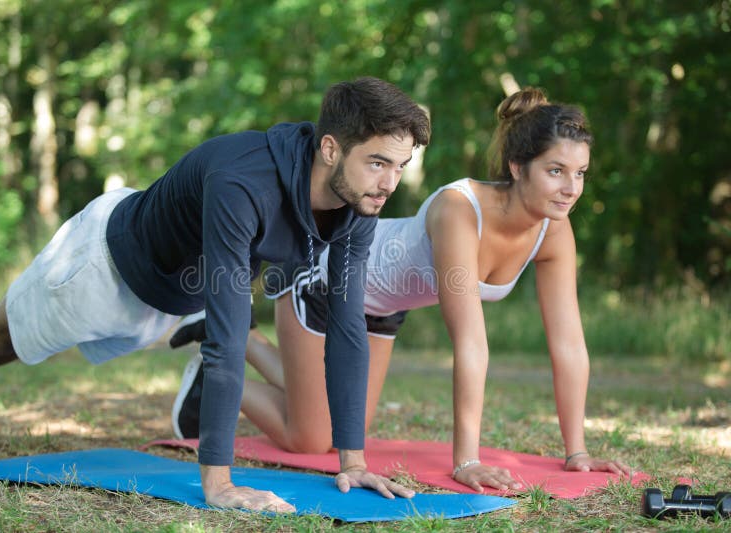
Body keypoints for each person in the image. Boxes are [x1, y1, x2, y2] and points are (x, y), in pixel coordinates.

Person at [0, 77, 431, 512]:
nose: (389, 183)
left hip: (179, 295)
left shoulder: (357, 204)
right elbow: (227, 338)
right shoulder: (244, 181)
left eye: (400, 166)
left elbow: (347, 328)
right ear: (330, 149)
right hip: (107, 269)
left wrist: (353, 462)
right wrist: (219, 484)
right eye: (378, 163)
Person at [170, 87, 632, 494]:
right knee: (311, 439)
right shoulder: (459, 210)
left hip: (383, 311)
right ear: (517, 166)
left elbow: (568, 344)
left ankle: (239, 340)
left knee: (343, 421)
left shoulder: (554, 230)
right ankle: (218, 367)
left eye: (580, 173)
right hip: (325, 279)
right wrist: (466, 461)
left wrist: (577, 452)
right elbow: (470, 341)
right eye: (556, 171)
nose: (571, 188)